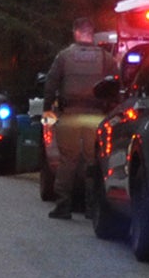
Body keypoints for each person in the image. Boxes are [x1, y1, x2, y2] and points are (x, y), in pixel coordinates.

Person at [43, 17, 119, 219]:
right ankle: (91, 207)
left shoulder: (64, 56)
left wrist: (47, 111)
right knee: (94, 162)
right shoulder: (106, 58)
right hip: (97, 119)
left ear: (76, 32)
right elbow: (117, 86)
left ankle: (63, 206)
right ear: (91, 34)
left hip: (70, 118)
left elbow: (50, 85)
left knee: (68, 161)